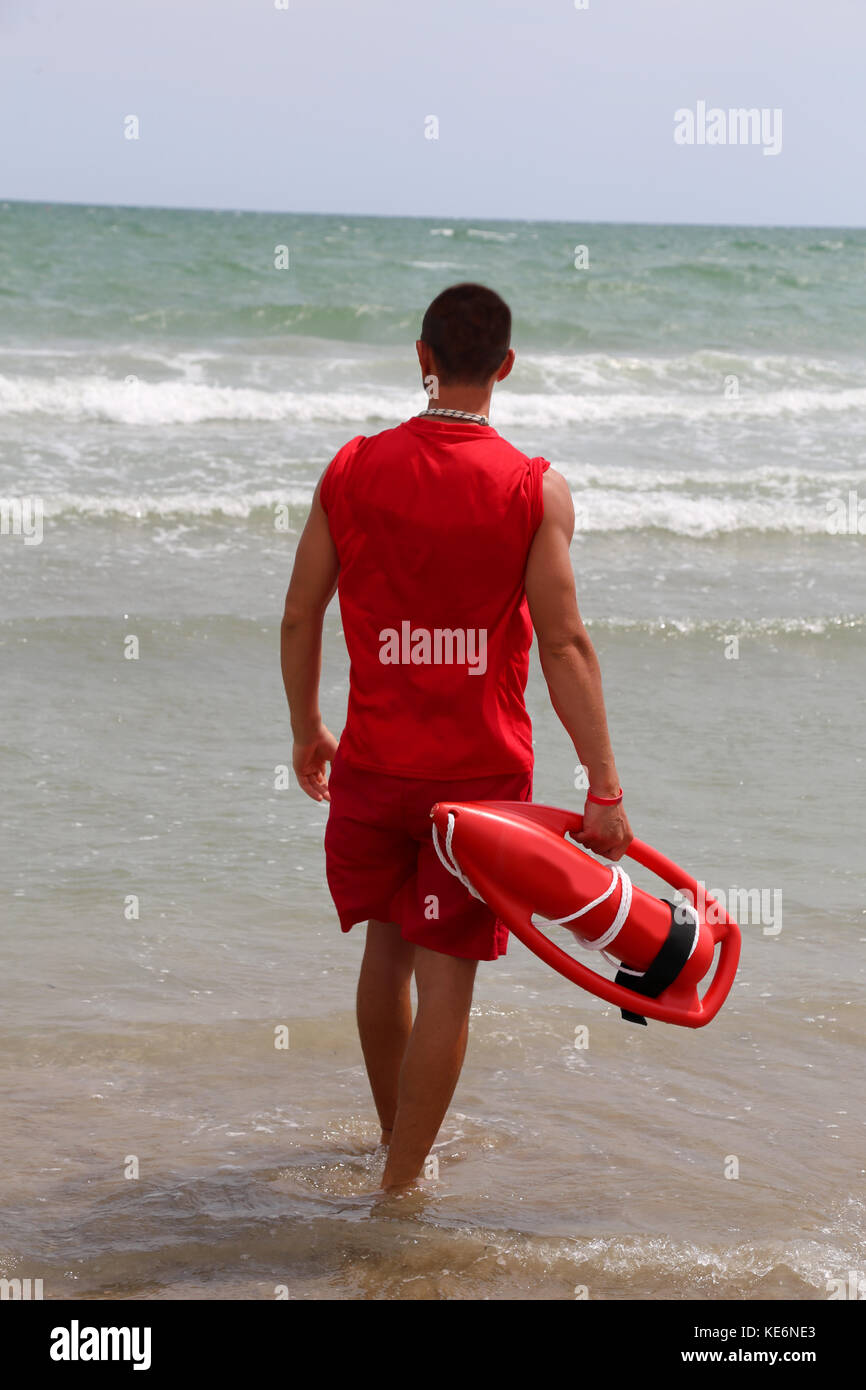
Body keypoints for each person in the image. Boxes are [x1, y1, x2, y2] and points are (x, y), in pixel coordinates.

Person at [280, 282, 632, 1191]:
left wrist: (307, 727)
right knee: (447, 979)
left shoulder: (352, 468)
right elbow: (563, 642)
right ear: (506, 367)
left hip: (373, 765)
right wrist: (604, 786)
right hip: (474, 781)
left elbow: (297, 615)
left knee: (383, 952)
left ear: (422, 357)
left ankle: (395, 1151)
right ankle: (401, 1186)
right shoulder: (532, 487)